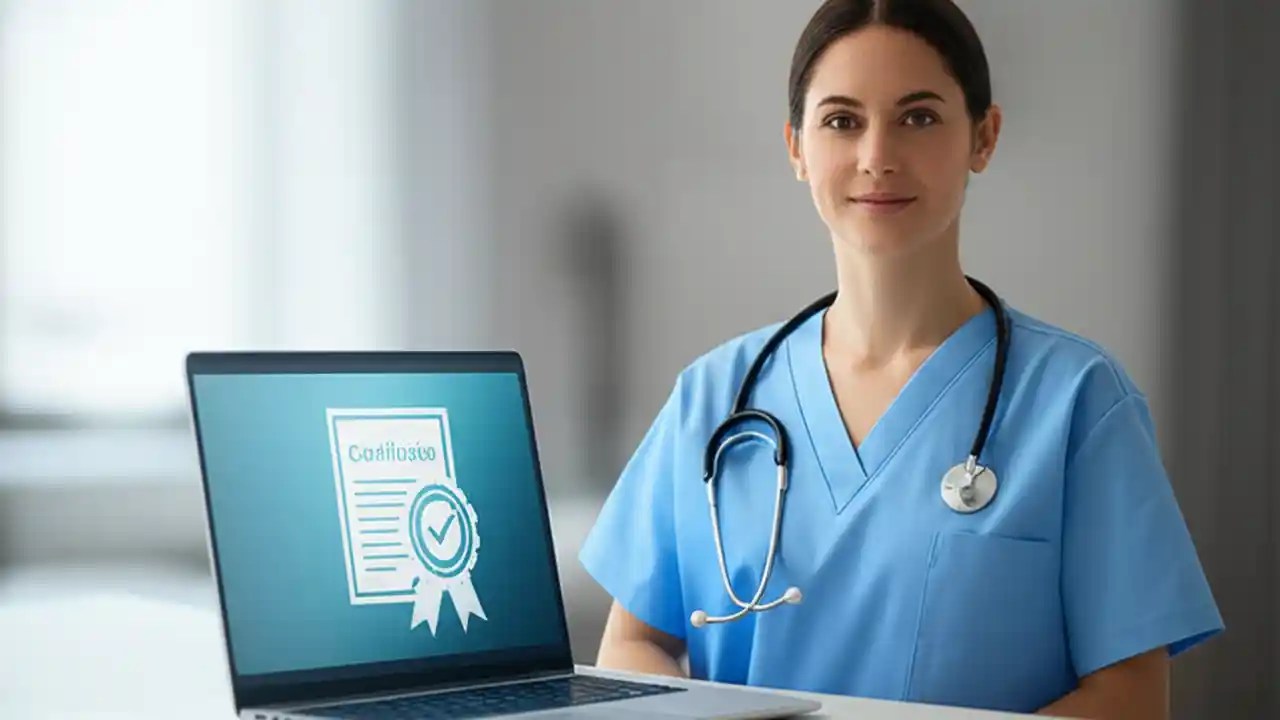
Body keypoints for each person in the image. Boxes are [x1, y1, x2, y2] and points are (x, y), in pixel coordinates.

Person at [576, 0, 1224, 716]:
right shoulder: (715, 397)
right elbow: (635, 648)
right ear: (796, 147)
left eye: (918, 117)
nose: (877, 156)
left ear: (985, 136)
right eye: (841, 120)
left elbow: (1130, 698)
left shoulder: (1076, 403)